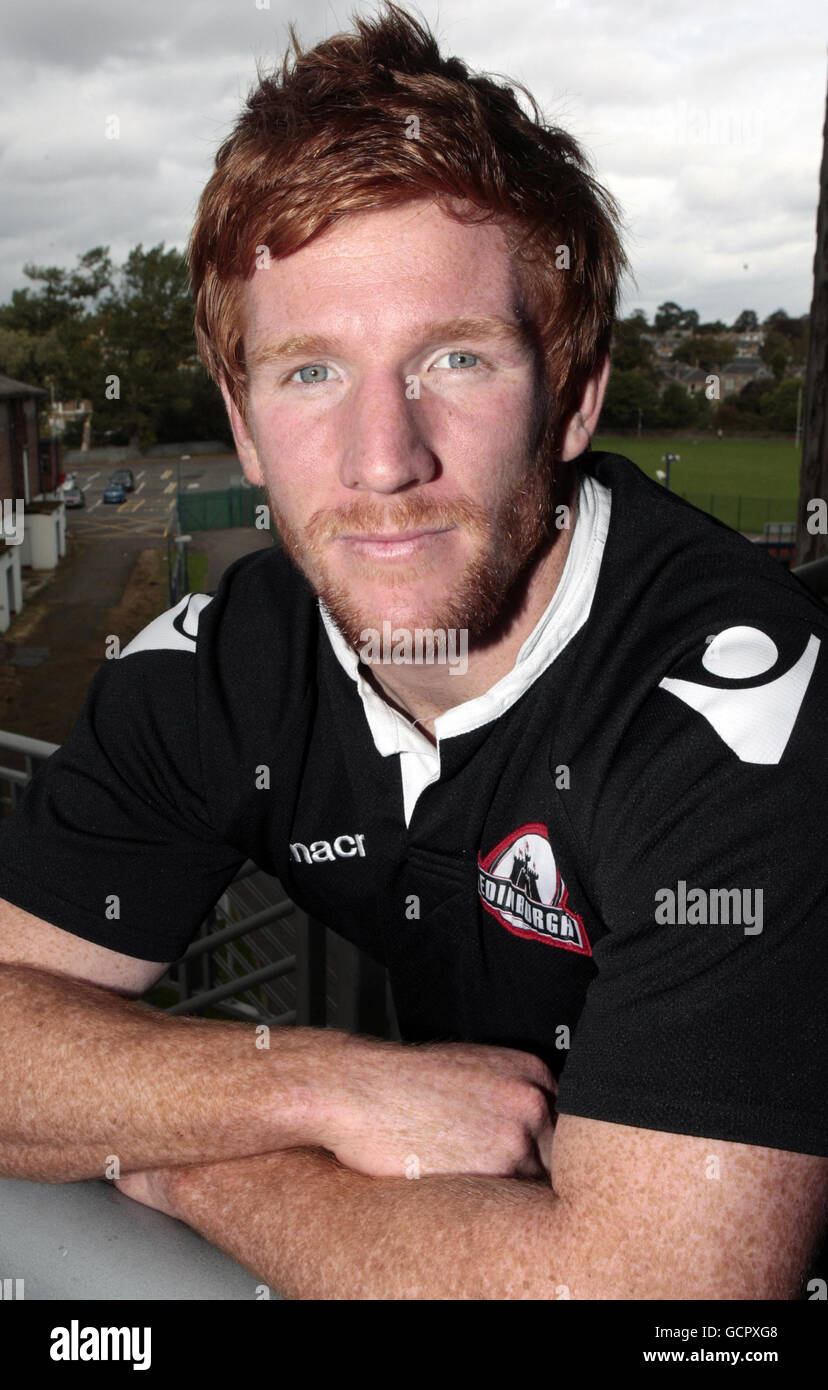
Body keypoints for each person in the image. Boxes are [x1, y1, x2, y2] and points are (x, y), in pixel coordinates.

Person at [0, 3, 826, 1300]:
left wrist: (192, 1158)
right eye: (310, 373)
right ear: (242, 418)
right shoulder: (226, 670)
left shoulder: (743, 720)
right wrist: (320, 1085)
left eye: (455, 356)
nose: (385, 459)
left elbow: (662, 1303)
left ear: (575, 387)